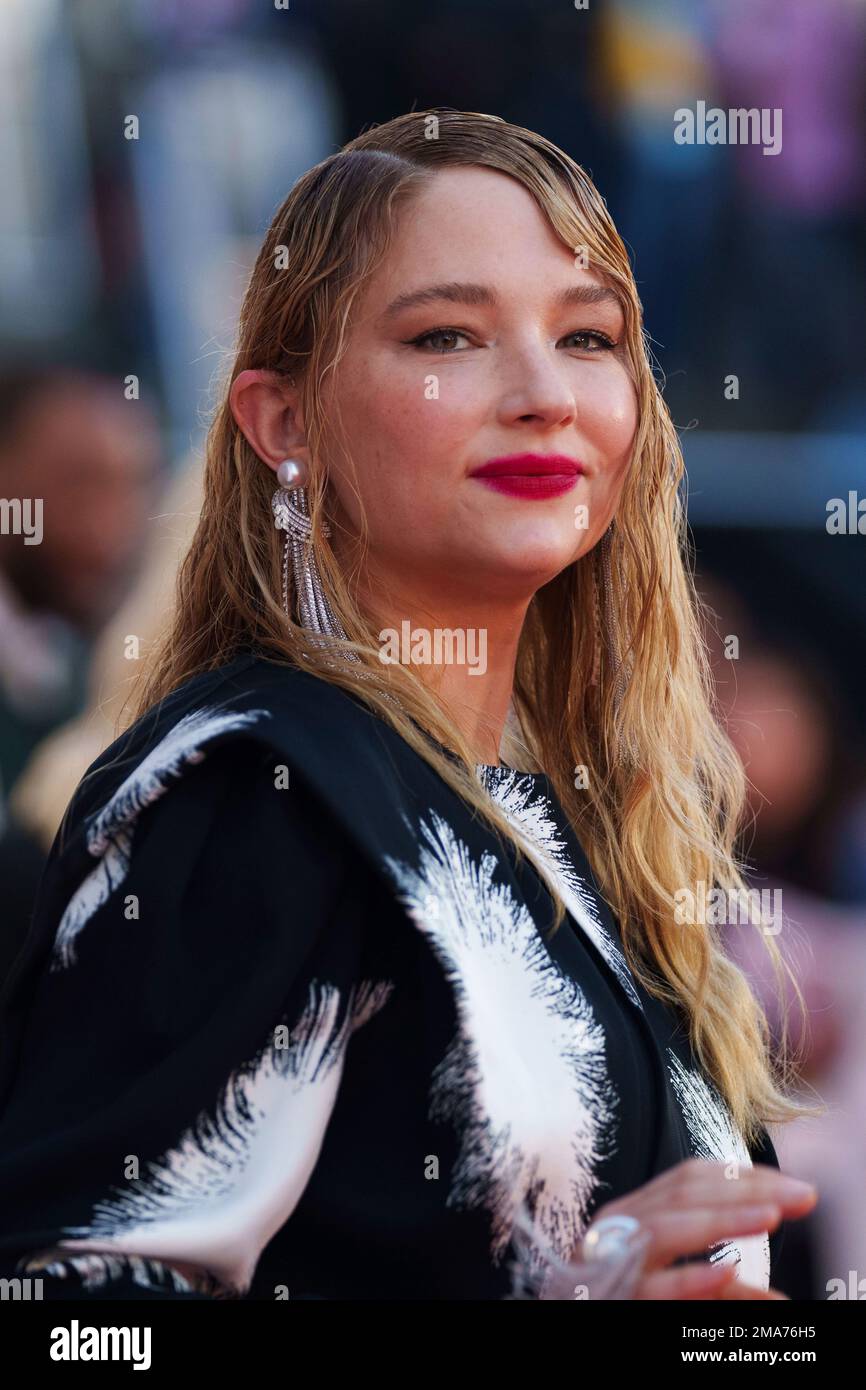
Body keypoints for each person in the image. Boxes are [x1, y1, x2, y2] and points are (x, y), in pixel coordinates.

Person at [0, 109, 819, 1301]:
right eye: (448, 334)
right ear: (283, 422)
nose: (543, 394)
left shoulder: (582, 829)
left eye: (587, 339)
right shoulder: (256, 786)